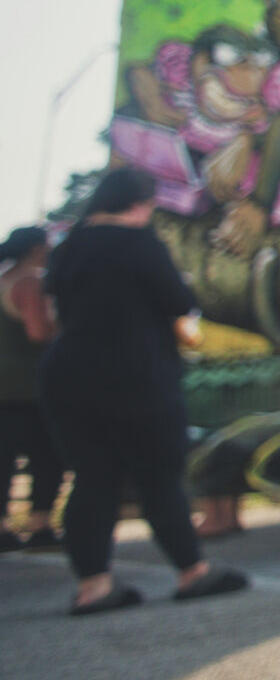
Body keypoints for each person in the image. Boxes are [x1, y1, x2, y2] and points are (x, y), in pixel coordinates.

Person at [37, 168, 249, 615]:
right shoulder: (138, 243)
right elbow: (176, 301)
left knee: (91, 478)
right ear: (141, 203)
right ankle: (192, 572)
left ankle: (93, 585)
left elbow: (55, 308)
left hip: (69, 373)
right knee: (158, 475)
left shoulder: (68, 245)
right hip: (135, 373)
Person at [0, 224, 63, 551]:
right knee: (46, 455)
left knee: (3, 460)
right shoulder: (30, 282)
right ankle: (40, 523)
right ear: (37, 248)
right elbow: (39, 332)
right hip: (29, 386)